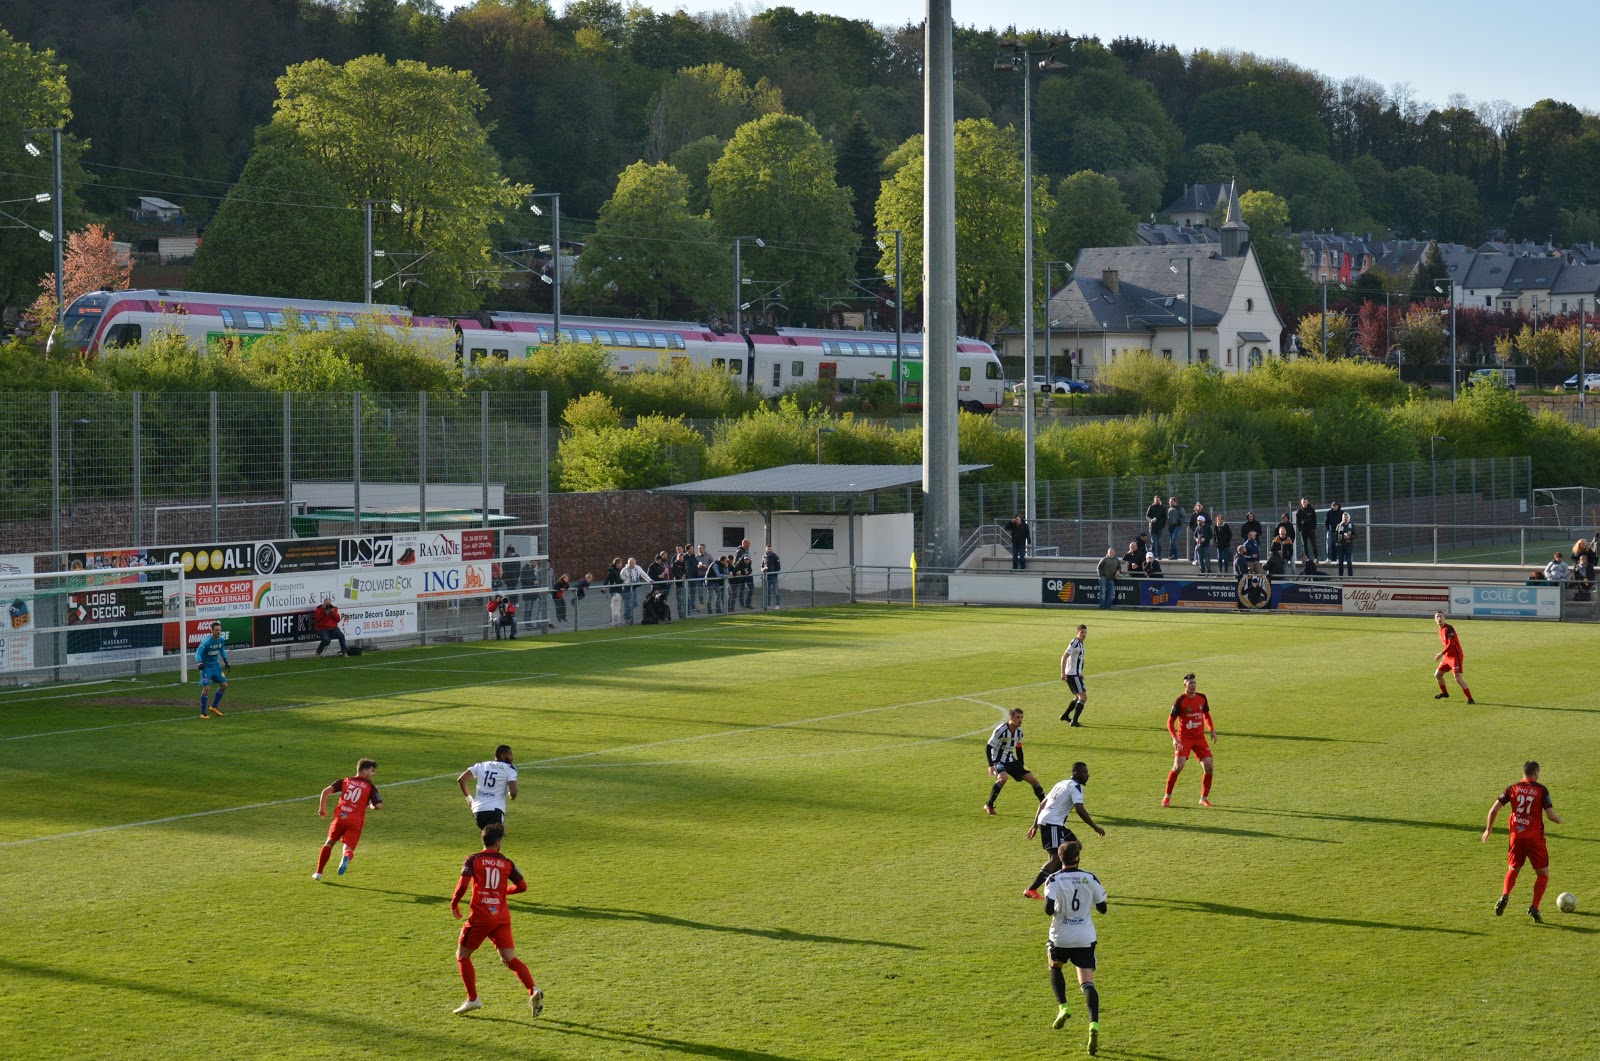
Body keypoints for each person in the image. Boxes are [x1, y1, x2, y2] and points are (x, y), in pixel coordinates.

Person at [451, 823, 544, 1016]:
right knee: (509, 958)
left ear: (483, 840)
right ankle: (533, 989)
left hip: (481, 917)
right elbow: (522, 886)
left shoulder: (473, 859)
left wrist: (455, 903)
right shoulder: (507, 862)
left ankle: (473, 998)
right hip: (501, 917)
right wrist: (503, 891)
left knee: (462, 954)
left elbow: (463, 884)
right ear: (499, 842)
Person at [1042, 838, 1107, 1053]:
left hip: (1061, 936)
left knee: (1055, 966)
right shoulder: (1090, 878)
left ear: (1060, 859)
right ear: (1077, 858)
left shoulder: (1053, 879)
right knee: (1087, 983)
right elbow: (1103, 908)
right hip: (1084, 937)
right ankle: (1093, 1024)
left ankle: (1063, 1006)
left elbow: (1048, 910)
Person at [1482, 760, 1563, 923]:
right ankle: (1534, 907)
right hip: (1535, 839)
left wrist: (1488, 829)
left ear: (1523, 773)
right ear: (1536, 773)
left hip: (1516, 837)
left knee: (1513, 869)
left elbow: (1493, 810)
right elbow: (1551, 816)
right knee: (1543, 874)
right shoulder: (1541, 789)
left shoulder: (1512, 788)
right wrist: (1560, 820)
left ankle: (1505, 894)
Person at [1025, 761, 1106, 898]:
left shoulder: (1061, 783)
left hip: (1053, 822)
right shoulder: (1075, 787)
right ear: (1076, 773)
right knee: (1056, 858)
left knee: (1076, 846)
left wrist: (1035, 825)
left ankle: (1061, 882)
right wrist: (1095, 827)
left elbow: (1043, 803)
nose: (1088, 775)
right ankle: (1032, 889)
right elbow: (1080, 809)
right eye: (1085, 773)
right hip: (1052, 823)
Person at [314, 758, 382, 880]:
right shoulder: (370, 787)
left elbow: (325, 791)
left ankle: (318, 873)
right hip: (355, 821)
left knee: (329, 843)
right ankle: (345, 858)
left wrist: (322, 809)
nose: (373, 774)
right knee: (348, 848)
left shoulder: (345, 781)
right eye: (372, 771)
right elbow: (378, 806)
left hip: (341, 818)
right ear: (365, 771)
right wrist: (369, 806)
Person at [1162, 672, 1216, 808]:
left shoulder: (1202, 698)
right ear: (1184, 685)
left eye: (1194, 682)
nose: (1193, 685)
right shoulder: (1180, 701)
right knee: (1178, 766)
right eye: (1190, 683)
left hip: (1199, 738)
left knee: (1209, 766)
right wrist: (1174, 738)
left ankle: (1203, 798)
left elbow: (1206, 715)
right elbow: (1169, 722)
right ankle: (1167, 797)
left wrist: (1212, 730)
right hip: (1184, 738)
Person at [984, 708, 1046, 814]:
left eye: (1022, 717)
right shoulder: (1001, 730)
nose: (1020, 720)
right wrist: (991, 765)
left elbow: (1019, 749)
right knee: (1003, 778)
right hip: (998, 761)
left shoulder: (1019, 732)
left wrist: (1021, 764)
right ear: (1011, 718)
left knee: (1033, 780)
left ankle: (1045, 805)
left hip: (1011, 760)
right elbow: (988, 747)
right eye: (1018, 717)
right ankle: (989, 805)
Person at [458, 745, 518, 830]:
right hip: (495, 811)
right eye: (510, 754)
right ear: (503, 755)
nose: (512, 757)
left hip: (478, 811)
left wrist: (469, 799)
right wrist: (512, 796)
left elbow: (461, 779)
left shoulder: (482, 765)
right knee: (495, 841)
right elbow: (513, 792)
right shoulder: (509, 769)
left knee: (488, 839)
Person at [1432, 611, 1475, 703]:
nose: (1439, 618)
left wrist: (1441, 653)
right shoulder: (1440, 630)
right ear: (1435, 619)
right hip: (1447, 657)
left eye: (1441, 616)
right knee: (1437, 675)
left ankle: (1470, 699)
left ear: (1444, 618)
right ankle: (1445, 693)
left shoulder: (1449, 628)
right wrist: (1444, 655)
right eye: (1437, 617)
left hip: (1456, 656)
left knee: (1458, 678)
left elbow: (1451, 644)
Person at [194, 620, 229, 719]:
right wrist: (200, 662)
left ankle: (213, 706)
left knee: (224, 685)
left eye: (220, 630)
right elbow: (197, 653)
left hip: (216, 667)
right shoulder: (206, 642)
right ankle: (203, 713)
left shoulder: (221, 640)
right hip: (206, 668)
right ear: (212, 631)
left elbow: (221, 649)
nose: (218, 632)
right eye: (216, 630)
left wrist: (226, 660)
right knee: (207, 688)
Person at [1060, 624, 1088, 725]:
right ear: (1077, 632)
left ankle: (1065, 716)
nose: (1084, 634)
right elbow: (1064, 657)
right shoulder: (1075, 643)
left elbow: (1075, 660)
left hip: (1076, 674)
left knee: (1078, 697)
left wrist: (1080, 673)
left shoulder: (1081, 643)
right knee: (1083, 697)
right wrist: (1063, 673)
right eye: (1082, 632)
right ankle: (1074, 722)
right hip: (1072, 674)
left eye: (1085, 632)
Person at [733, 539, 754, 608]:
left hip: (748, 573)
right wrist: (742, 571)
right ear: (744, 543)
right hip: (742, 574)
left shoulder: (746, 551)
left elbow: (747, 563)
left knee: (751, 587)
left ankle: (748, 603)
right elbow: (735, 564)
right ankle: (742, 604)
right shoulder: (739, 551)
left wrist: (749, 563)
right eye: (748, 544)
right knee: (741, 589)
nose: (750, 545)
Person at [1335, 512, 1356, 577]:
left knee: (1349, 561)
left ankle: (1350, 576)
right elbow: (1335, 535)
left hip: (1348, 545)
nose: (1345, 519)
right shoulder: (1339, 525)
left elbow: (1355, 535)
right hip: (1340, 545)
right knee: (1340, 561)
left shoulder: (1351, 525)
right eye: (1344, 517)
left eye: (1346, 517)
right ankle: (1340, 576)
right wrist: (1337, 542)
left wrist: (1349, 537)